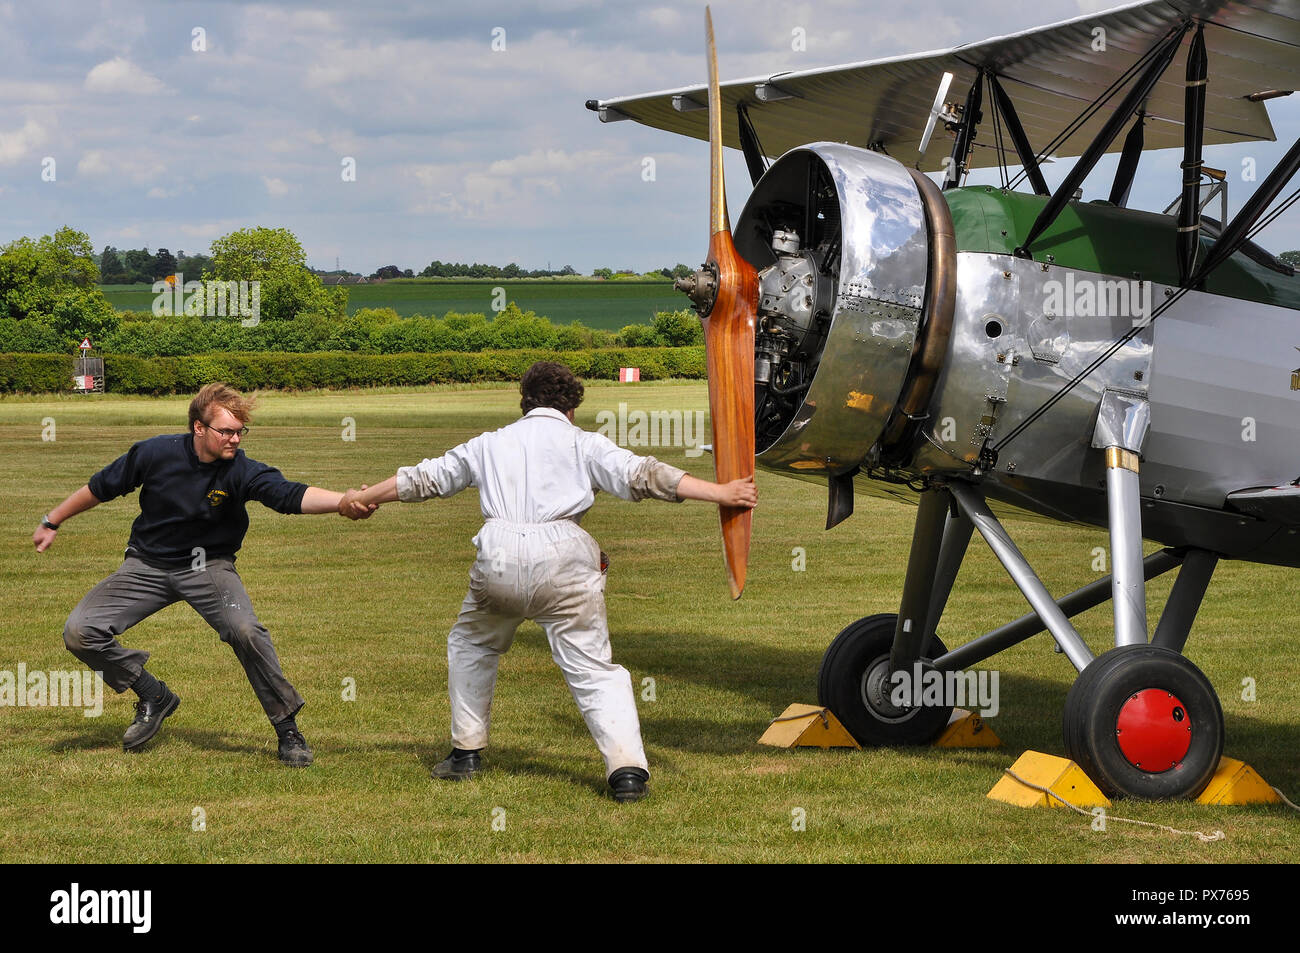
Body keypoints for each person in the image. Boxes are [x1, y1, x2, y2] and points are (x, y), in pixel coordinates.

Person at [341, 361, 757, 802]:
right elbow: (645, 475)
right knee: (593, 670)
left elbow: (423, 479)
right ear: (571, 408)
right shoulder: (584, 444)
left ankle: (465, 754)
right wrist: (722, 492)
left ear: (524, 403)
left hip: (497, 555)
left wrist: (362, 499)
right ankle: (627, 773)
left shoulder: (490, 443)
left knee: (472, 644)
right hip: (564, 555)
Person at [32, 382, 375, 766]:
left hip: (209, 567)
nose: (235, 439)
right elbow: (101, 487)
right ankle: (153, 694)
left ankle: (287, 729)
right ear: (199, 428)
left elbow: (288, 494)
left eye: (240, 431)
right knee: (80, 631)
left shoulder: (241, 470)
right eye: (226, 431)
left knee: (246, 631)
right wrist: (54, 519)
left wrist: (343, 502)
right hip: (147, 565)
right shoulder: (154, 453)